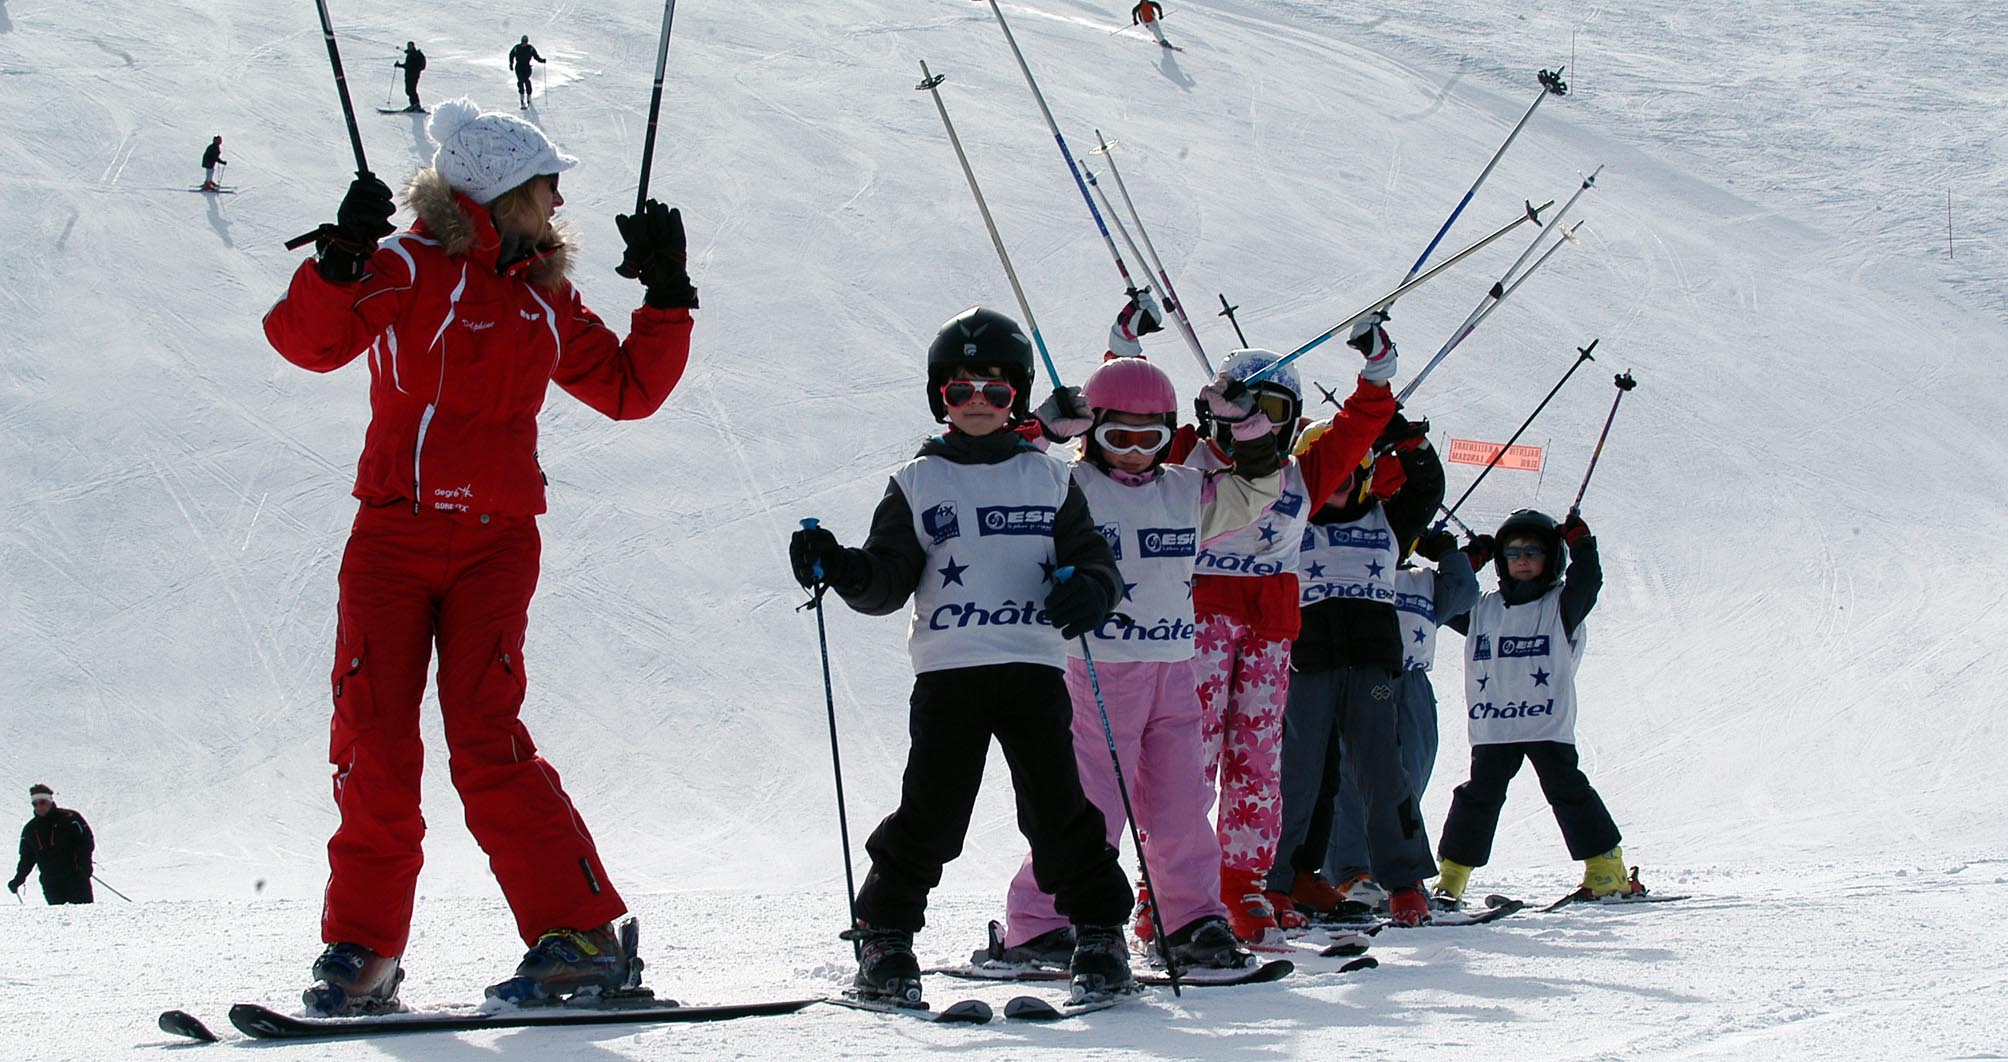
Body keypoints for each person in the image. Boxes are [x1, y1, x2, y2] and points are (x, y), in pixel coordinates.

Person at [262, 97, 699, 1015]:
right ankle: (363, 949)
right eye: (547, 188)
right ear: (501, 195)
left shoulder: (543, 295)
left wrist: (666, 294)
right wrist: (338, 263)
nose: (557, 204)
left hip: (498, 546)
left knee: (486, 738)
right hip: (394, 536)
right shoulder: (406, 268)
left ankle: (578, 938)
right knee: (375, 740)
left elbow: (626, 391)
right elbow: (309, 343)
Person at [788, 307, 1137, 1004]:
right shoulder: (917, 482)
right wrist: (842, 569)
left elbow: (1096, 562)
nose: (979, 403)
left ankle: (1099, 930)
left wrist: (1091, 594)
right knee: (933, 811)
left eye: (997, 392)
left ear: (1017, 395)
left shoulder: (1048, 477)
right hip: (950, 673)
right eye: (960, 392)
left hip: (1033, 669)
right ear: (938, 396)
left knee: (1057, 808)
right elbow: (888, 579)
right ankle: (885, 935)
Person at [984, 353, 1280, 973]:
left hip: (1174, 668)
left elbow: (1258, 488)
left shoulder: (1184, 491)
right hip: (1094, 668)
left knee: (1180, 804)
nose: (1136, 453)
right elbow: (999, 475)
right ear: (1092, 434)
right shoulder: (1068, 485)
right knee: (1088, 805)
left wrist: (1246, 423)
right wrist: (1040, 429)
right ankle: (1044, 922)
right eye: (1119, 437)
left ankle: (1190, 920)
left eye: (1153, 439)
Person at [1167, 319, 1398, 943]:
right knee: (1191, 754)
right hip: (1201, 621)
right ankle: (1166, 887)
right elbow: (1122, 429)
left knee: (1257, 760)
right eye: (1247, 407)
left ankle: (1243, 882)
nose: (1259, 423)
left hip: (1271, 630)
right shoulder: (1184, 458)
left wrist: (1376, 372)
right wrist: (1123, 350)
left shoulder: (1301, 472)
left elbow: (1359, 431)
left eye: (1274, 411)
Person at [1263, 413, 1447, 928]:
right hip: (1307, 663)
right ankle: (1280, 882)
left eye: (1350, 470)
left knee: (1383, 773)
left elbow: (1427, 488)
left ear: (1365, 472)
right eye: (1330, 469)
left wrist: (1411, 443)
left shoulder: (1388, 521)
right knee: (1298, 776)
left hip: (1371, 666)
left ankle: (1405, 882)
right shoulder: (1288, 519)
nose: (1340, 479)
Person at [1432, 508, 1644, 906]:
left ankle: (1606, 869)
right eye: (1513, 553)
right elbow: (1445, 599)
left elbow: (1589, 582)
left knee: (1566, 790)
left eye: (1533, 551)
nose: (1523, 560)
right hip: (1494, 725)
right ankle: (1451, 876)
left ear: (1552, 558)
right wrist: (1466, 561)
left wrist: (1582, 544)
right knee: (1479, 797)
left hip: (1544, 721)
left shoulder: (1561, 605)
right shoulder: (1482, 610)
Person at [1316, 526, 1485, 913]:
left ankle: (1397, 872)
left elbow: (1464, 593)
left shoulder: (1423, 581)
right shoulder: (1352, 568)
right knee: (1348, 779)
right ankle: (1349, 872)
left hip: (1411, 685)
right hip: (1361, 677)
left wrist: (1450, 553)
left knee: (1406, 778)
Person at [10, 785, 95, 905]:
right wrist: (19, 878)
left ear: (50, 801)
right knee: (60, 920)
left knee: (84, 917)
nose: (39, 807)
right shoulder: (30, 829)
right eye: (35, 804)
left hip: (76, 878)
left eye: (42, 802)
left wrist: (85, 866)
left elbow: (86, 842)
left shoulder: (70, 818)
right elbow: (27, 858)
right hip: (51, 882)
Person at [508, 35, 546, 108]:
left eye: (525, 42)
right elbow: (511, 55)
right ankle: (522, 99)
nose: (524, 44)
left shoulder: (530, 48)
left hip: (527, 67)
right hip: (519, 66)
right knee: (520, 81)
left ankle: (529, 97)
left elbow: (536, 56)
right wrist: (511, 64)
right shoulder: (517, 47)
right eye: (523, 42)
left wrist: (541, 60)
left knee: (526, 80)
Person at [395, 42, 427, 112]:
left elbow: (415, 65)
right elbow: (407, 66)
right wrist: (399, 65)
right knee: (409, 90)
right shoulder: (410, 54)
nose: (409, 47)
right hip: (408, 75)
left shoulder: (415, 54)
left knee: (411, 90)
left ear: (413, 46)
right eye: (408, 46)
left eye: (410, 46)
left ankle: (416, 105)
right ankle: (414, 105)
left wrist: (415, 70)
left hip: (414, 75)